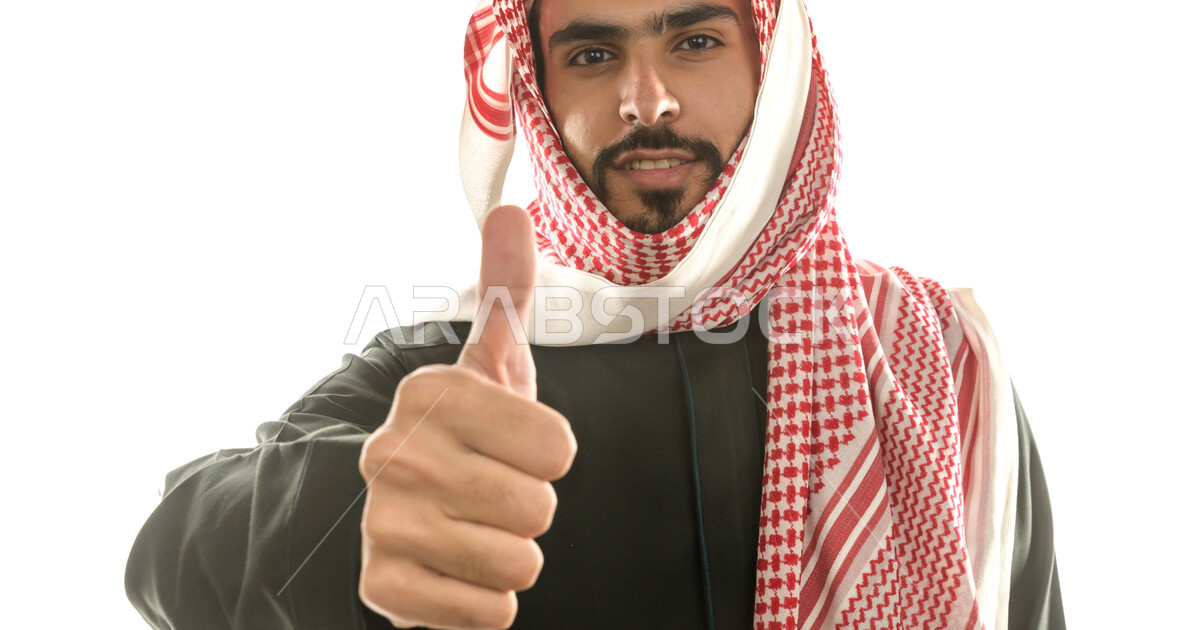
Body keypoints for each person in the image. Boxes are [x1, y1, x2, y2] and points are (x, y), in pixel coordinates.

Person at [125, 0, 1066, 628]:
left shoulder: (939, 358)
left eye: (694, 40)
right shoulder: (450, 371)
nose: (645, 99)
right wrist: (363, 509)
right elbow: (170, 545)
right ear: (539, 94)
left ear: (775, 71)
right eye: (592, 53)